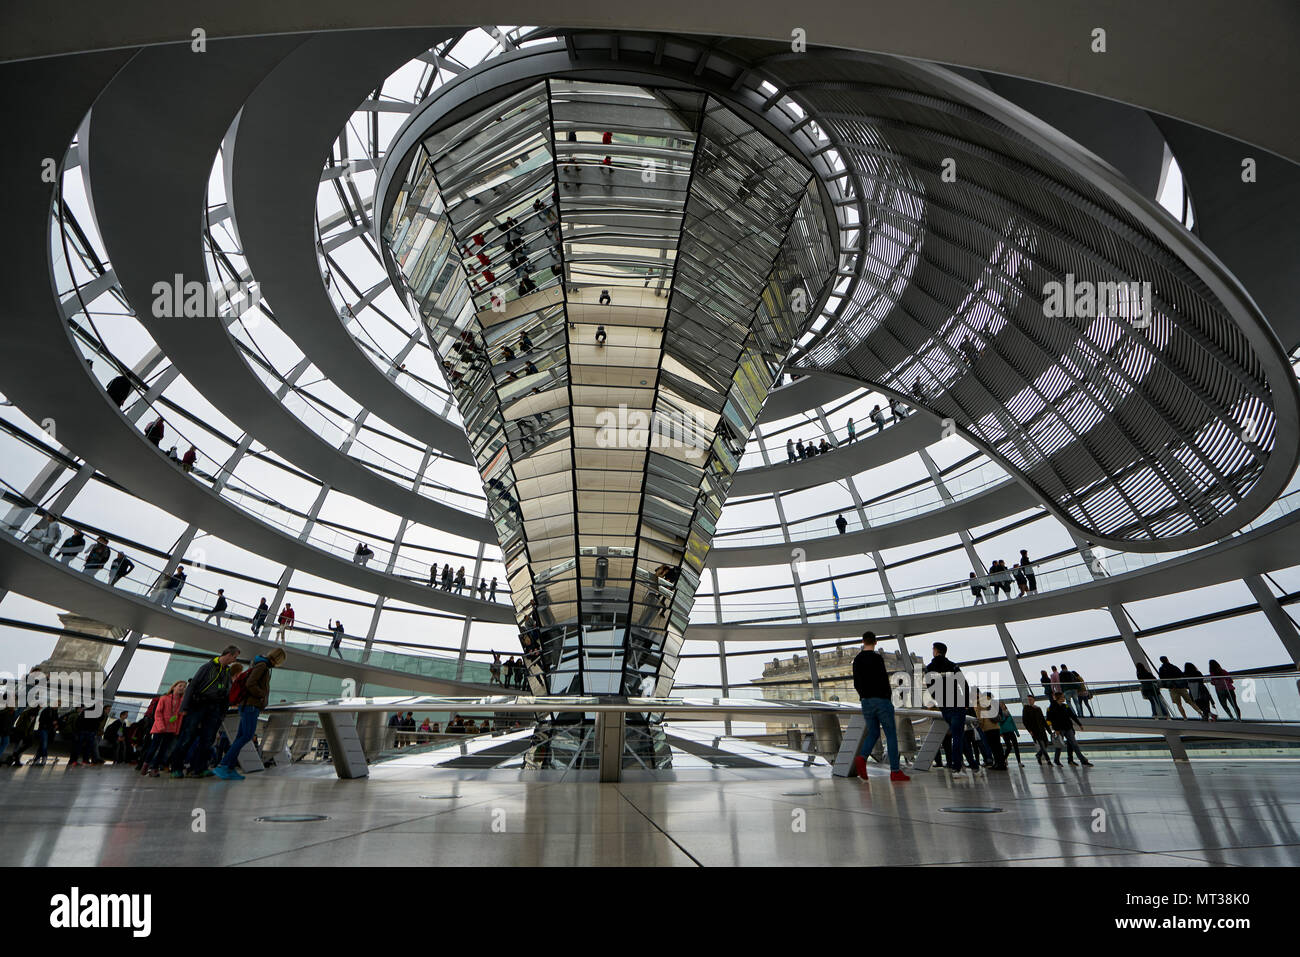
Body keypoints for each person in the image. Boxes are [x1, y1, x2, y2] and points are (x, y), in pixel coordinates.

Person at [214, 647, 285, 780]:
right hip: (251, 706)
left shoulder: (262, 665)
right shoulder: (263, 666)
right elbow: (250, 683)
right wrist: (262, 695)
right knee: (246, 736)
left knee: (241, 736)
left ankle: (229, 768)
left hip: (248, 705)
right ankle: (224, 765)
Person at [170, 646, 240, 777]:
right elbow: (193, 686)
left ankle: (198, 768)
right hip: (198, 706)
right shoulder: (207, 667)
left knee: (208, 739)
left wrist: (222, 712)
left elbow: (227, 693)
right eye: (234, 657)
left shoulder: (226, 672)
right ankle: (176, 767)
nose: (234, 660)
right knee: (188, 736)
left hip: (214, 709)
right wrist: (184, 707)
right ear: (229, 654)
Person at [850, 632, 910, 781]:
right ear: (875, 642)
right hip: (881, 700)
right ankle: (895, 771)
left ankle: (862, 757)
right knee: (890, 734)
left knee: (873, 733)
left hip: (866, 701)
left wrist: (864, 695)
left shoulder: (857, 660)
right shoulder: (877, 658)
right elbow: (883, 679)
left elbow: (856, 683)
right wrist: (887, 697)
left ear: (863, 641)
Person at [924, 641, 971, 775]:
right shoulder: (953, 666)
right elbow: (963, 683)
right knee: (958, 736)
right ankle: (959, 767)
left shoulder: (929, 668)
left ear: (936, 651)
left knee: (958, 735)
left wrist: (938, 699)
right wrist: (966, 701)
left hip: (945, 706)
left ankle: (970, 765)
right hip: (957, 703)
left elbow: (930, 687)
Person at [144, 681, 187, 776]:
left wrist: (176, 730)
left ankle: (154, 768)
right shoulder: (164, 698)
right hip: (159, 728)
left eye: (184, 687)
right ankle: (146, 764)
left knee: (163, 750)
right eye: (180, 686)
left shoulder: (181, 702)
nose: (182, 688)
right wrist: (160, 726)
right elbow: (158, 713)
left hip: (170, 729)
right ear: (174, 687)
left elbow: (179, 718)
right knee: (154, 747)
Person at [1046, 691, 1092, 766]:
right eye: (1063, 697)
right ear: (1059, 698)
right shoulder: (1051, 707)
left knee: (1075, 744)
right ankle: (1056, 760)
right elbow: (1050, 719)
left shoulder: (1065, 706)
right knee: (1059, 745)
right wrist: (1056, 729)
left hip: (1068, 728)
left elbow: (1072, 715)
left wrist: (1079, 724)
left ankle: (1083, 760)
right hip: (1059, 729)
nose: (1064, 698)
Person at [1021, 694, 1051, 765]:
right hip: (1034, 730)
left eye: (1030, 699)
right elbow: (1025, 721)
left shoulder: (1038, 708)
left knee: (1046, 743)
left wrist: (1049, 730)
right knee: (1042, 745)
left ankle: (1038, 755)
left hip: (1042, 729)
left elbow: (1043, 720)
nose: (1029, 701)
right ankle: (1048, 760)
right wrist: (1030, 731)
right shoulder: (1026, 708)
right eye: (1028, 700)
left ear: (1034, 700)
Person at [997, 701, 1022, 766]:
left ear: (1005, 706)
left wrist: (1017, 732)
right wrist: (1001, 733)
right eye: (1000, 705)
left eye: (1003, 705)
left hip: (1011, 732)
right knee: (1009, 747)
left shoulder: (1008, 713)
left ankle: (1019, 762)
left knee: (1016, 746)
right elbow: (999, 724)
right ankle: (1003, 759)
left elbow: (1013, 723)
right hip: (1005, 733)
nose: (1002, 706)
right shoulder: (999, 715)